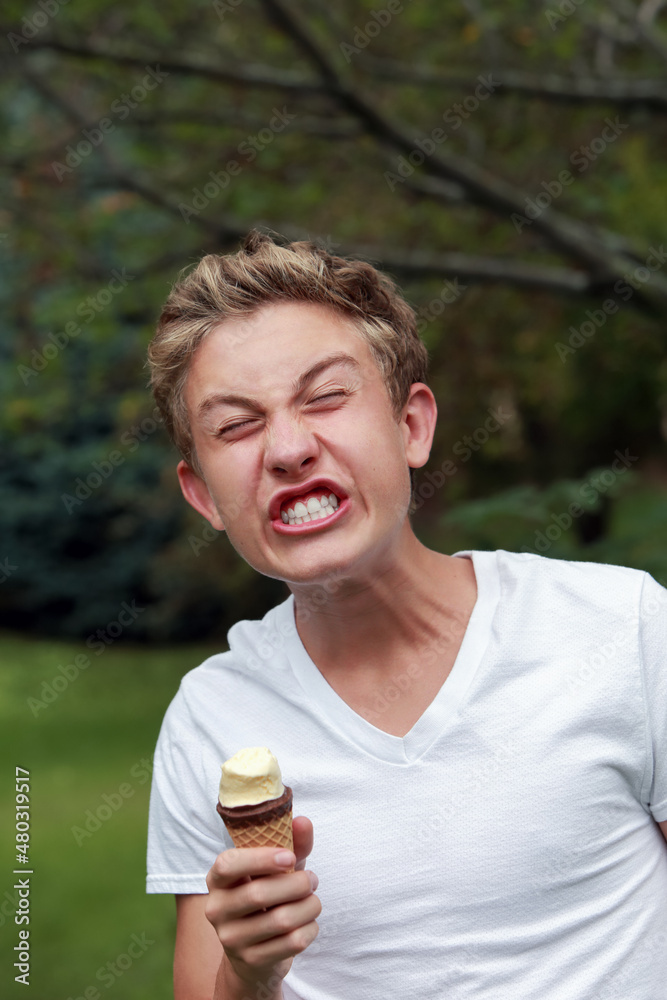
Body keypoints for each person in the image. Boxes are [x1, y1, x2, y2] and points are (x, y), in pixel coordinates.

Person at [146, 229, 667, 1000]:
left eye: (324, 397)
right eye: (236, 425)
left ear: (411, 426)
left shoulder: (621, 628)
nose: (287, 448)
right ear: (202, 496)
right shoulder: (210, 719)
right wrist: (249, 972)